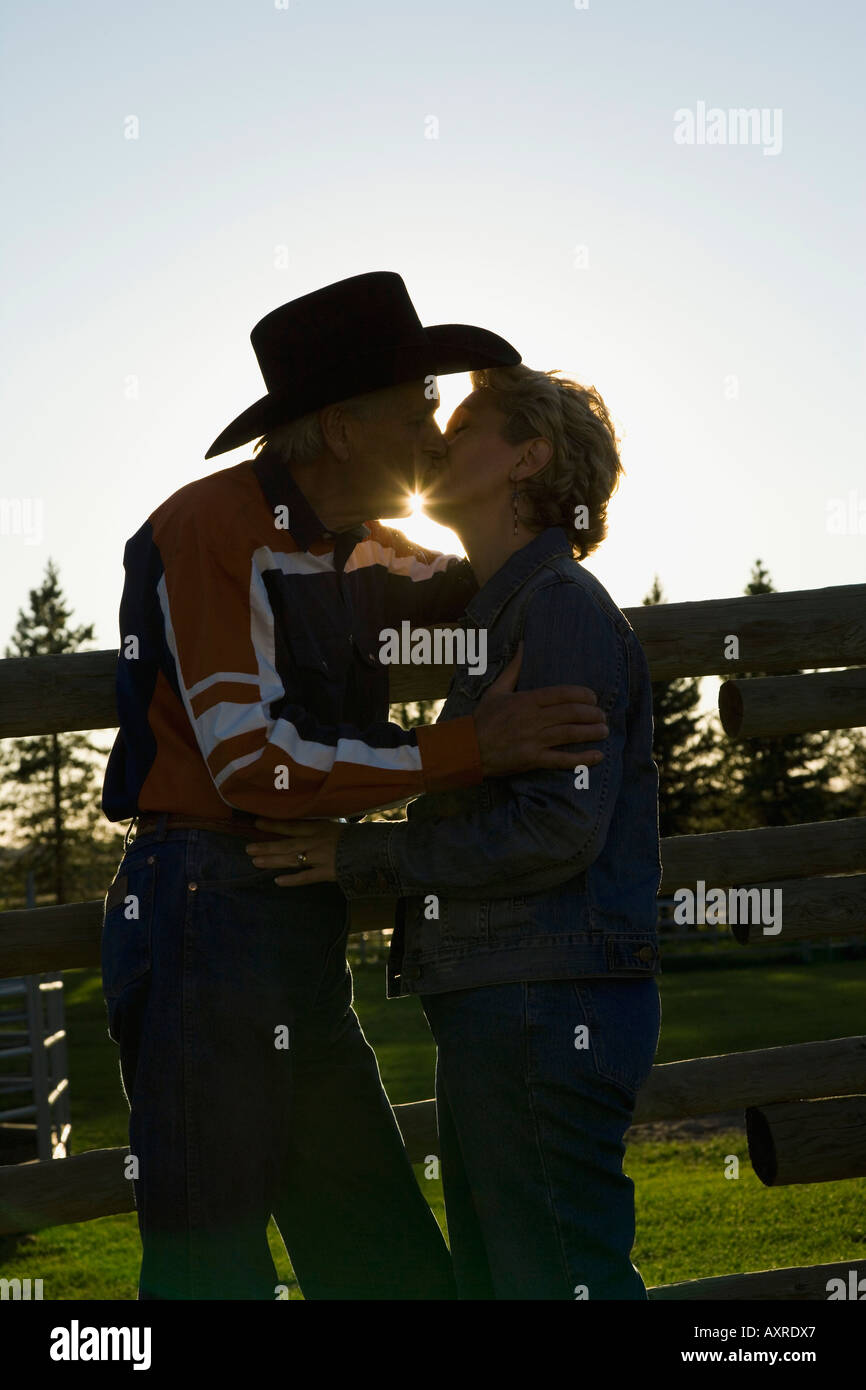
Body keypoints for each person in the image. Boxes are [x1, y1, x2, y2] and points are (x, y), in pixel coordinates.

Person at [99, 273, 610, 1299]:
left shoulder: (365, 550)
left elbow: (505, 572)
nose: (432, 424)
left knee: (383, 1263)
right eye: (417, 403)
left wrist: (537, 507)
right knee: (213, 1264)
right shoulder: (211, 528)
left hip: (284, 918)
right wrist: (471, 746)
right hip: (202, 903)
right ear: (340, 429)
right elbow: (252, 762)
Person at [246, 361, 663, 1300]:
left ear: (528, 458)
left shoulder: (555, 607)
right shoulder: (507, 608)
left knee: (554, 1277)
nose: (439, 439)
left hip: (545, 1003)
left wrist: (361, 855)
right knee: (515, 1281)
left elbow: (557, 829)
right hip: (517, 1000)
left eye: (465, 423)